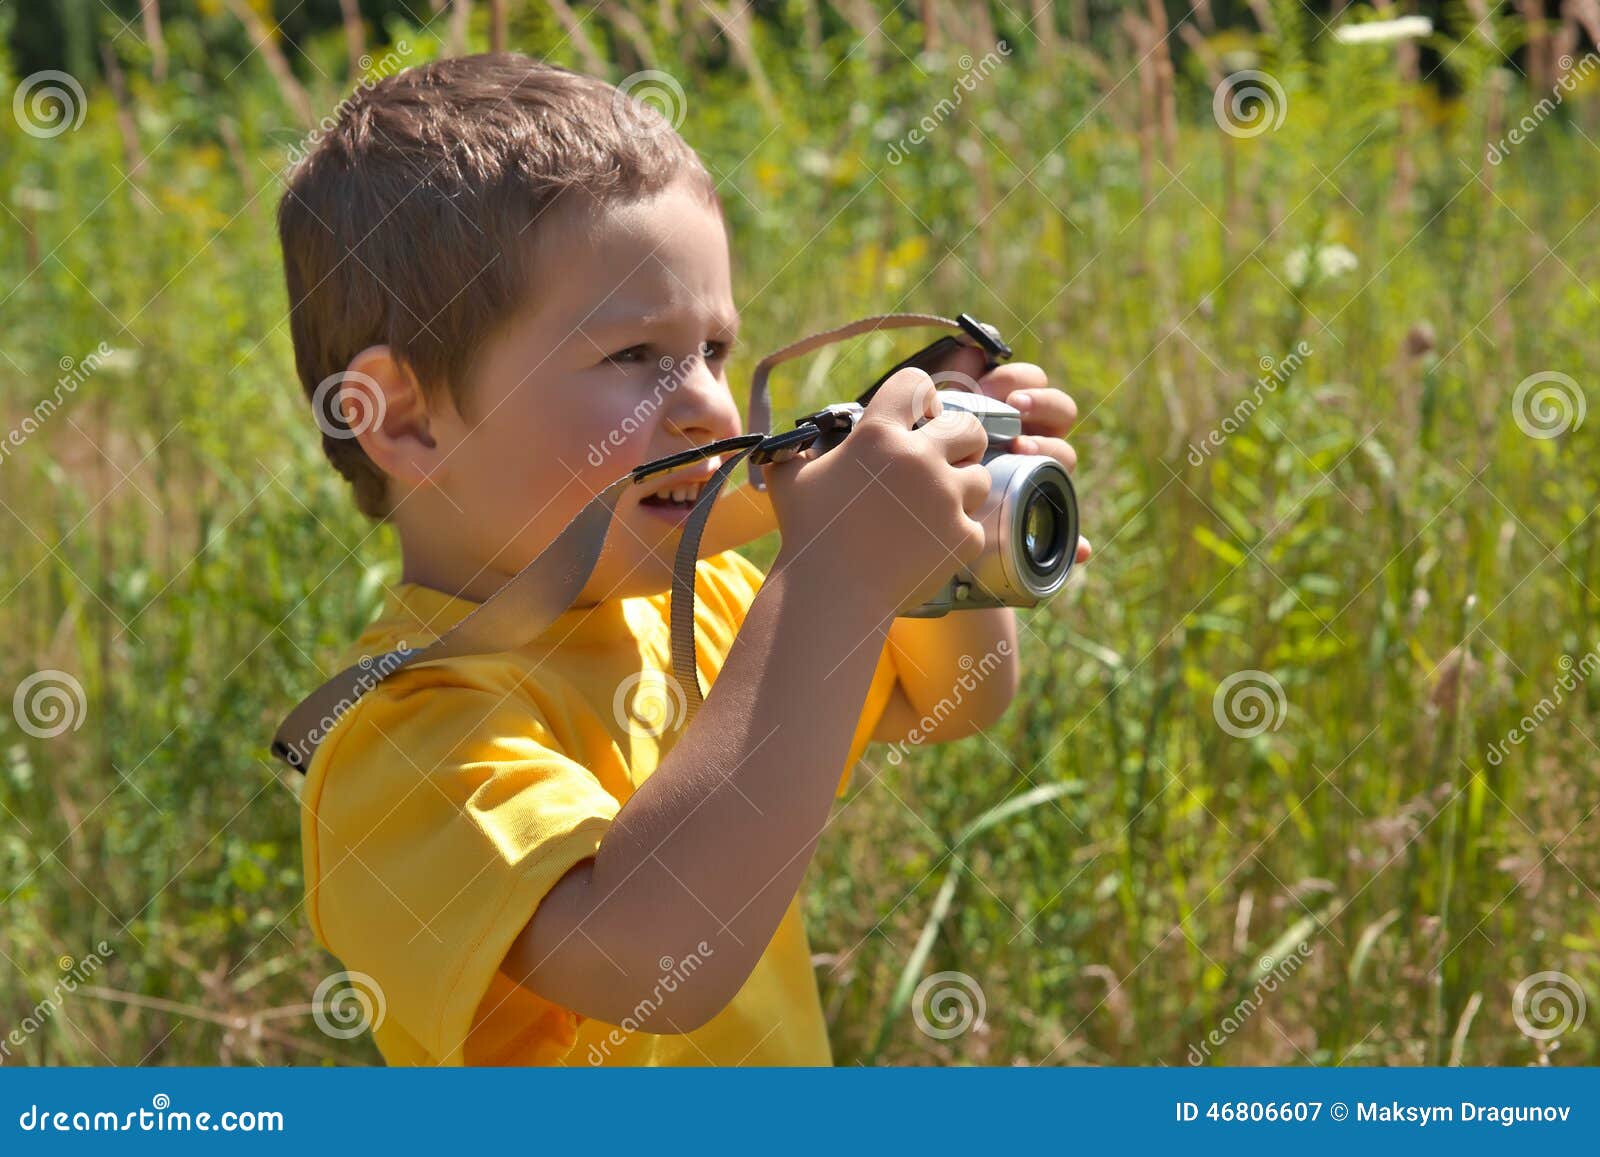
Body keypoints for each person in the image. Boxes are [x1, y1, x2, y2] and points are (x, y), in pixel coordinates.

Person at [278, 52, 1089, 1065]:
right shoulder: (403, 749)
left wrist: (946, 526)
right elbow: (654, 955)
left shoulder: (703, 597)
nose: (709, 403)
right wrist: (833, 574)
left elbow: (953, 699)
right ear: (404, 417)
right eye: (633, 357)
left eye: (712, 350)